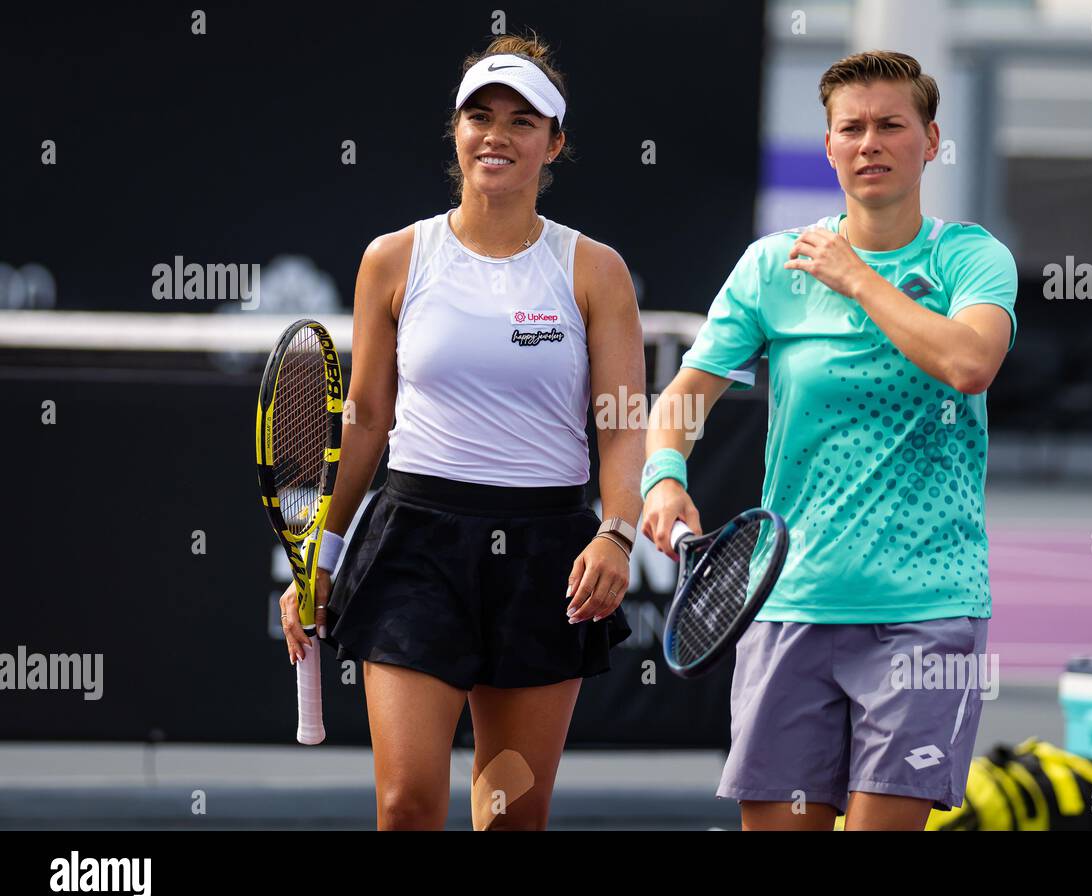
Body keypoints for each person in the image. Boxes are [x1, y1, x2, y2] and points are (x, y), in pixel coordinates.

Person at [642, 50, 1018, 830]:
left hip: (926, 608)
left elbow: (969, 362)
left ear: (931, 140)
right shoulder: (769, 268)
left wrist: (856, 277)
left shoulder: (970, 258)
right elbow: (682, 396)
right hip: (787, 602)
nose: (869, 142)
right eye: (851, 128)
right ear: (829, 146)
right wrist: (665, 476)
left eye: (891, 125)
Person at [278, 33, 645, 831]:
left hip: (548, 550)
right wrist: (321, 554)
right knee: (407, 803)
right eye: (480, 115)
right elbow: (367, 419)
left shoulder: (595, 271)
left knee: (509, 812)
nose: (497, 135)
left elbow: (621, 425)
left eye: (522, 120)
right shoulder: (394, 258)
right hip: (415, 545)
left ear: (554, 143)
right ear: (455, 130)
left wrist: (617, 533)